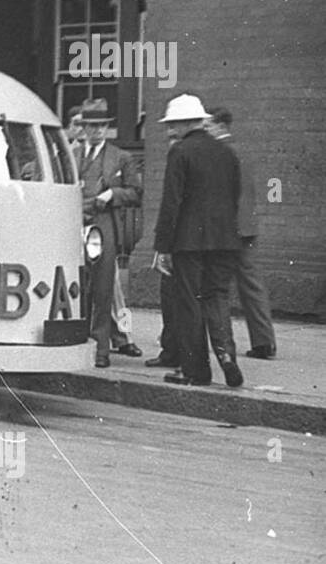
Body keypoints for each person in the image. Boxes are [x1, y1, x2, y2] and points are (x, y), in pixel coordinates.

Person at [152, 93, 243, 387]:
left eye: (173, 125)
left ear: (188, 122)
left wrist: (163, 247)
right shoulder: (227, 153)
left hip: (189, 242)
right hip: (225, 240)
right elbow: (234, 196)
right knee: (217, 298)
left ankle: (195, 370)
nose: (169, 131)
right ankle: (227, 356)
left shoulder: (180, 152)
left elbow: (172, 203)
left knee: (188, 302)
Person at [76, 99, 143, 367]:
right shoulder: (71, 154)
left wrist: (113, 194)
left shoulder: (121, 157)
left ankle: (106, 346)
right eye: (92, 126)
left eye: (102, 126)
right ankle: (79, 342)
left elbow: (135, 192)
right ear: (83, 129)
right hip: (75, 224)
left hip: (104, 226)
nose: (97, 131)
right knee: (77, 287)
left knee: (106, 289)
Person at [206, 106, 276, 359]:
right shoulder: (241, 152)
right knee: (252, 286)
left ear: (221, 126)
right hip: (246, 227)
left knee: (216, 288)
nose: (206, 131)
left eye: (208, 126)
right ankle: (264, 342)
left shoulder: (219, 153)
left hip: (228, 229)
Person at [145, 128, 183, 368]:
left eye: (176, 138)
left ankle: (175, 352)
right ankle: (170, 350)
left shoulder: (181, 164)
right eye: (169, 138)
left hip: (180, 245)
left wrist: (163, 247)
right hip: (174, 243)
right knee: (169, 300)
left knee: (176, 300)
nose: (172, 144)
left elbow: (172, 207)